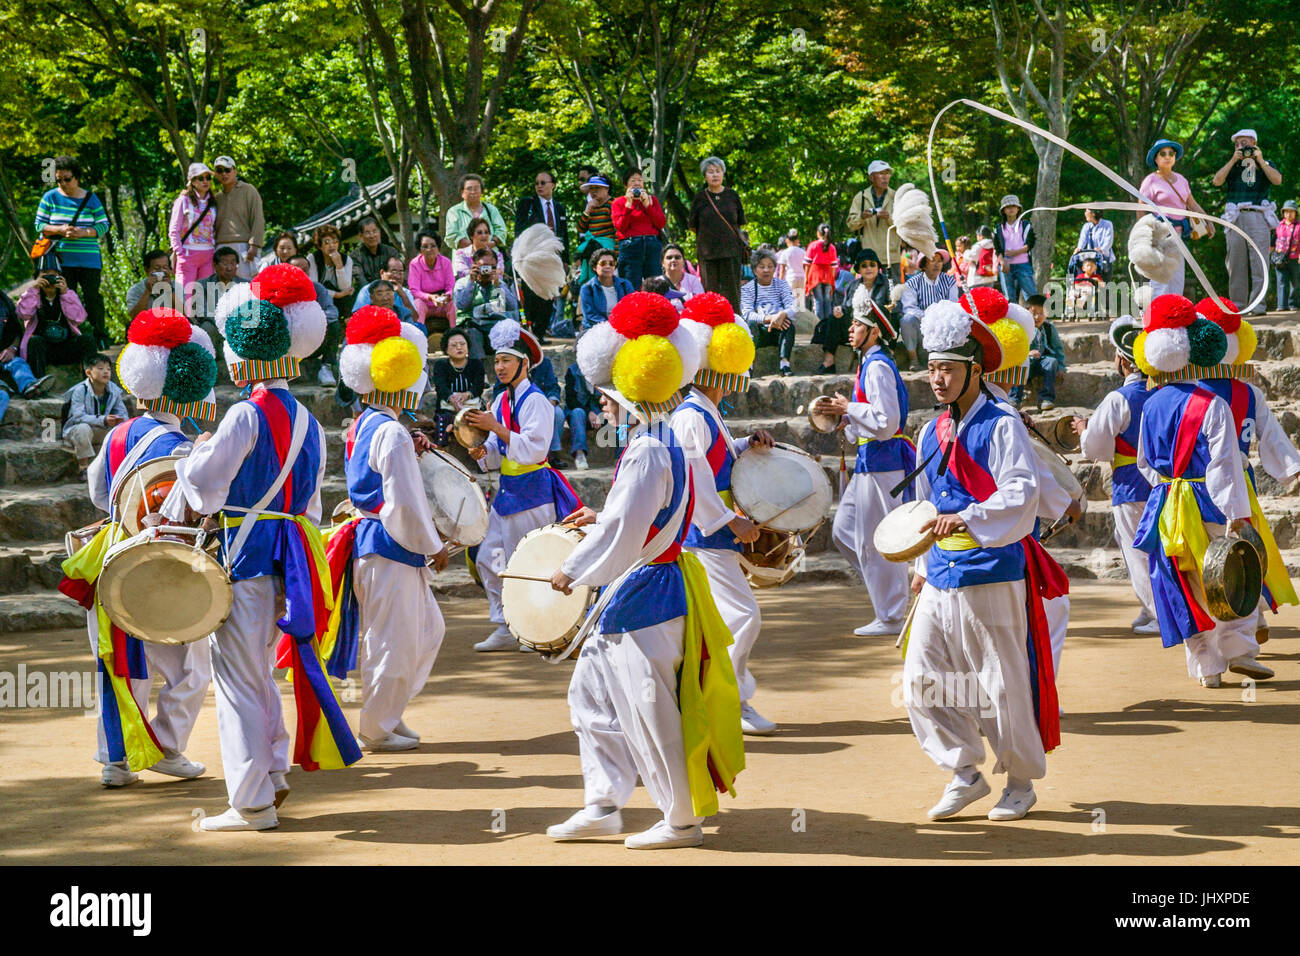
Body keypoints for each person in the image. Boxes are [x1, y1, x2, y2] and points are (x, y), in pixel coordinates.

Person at [546, 292, 743, 850]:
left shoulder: (647, 450)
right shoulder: (663, 441)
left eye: (609, 398)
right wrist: (601, 520)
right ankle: (604, 803)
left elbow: (625, 534)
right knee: (592, 695)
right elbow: (637, 516)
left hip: (643, 589)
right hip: (648, 585)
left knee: (648, 706)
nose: (605, 406)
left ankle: (680, 819)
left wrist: (574, 569)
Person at [166, 263, 357, 831]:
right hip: (291, 555)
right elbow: (312, 501)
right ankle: (271, 776)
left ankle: (248, 803)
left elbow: (205, 486)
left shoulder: (245, 414)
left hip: (245, 554)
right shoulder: (305, 416)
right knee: (257, 672)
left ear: (241, 355)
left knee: (239, 677)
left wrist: (187, 458)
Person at [906, 299, 1057, 822]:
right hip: (941, 571)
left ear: (974, 369)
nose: (937, 378)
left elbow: (1021, 491)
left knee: (999, 680)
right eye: (931, 368)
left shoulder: (1002, 422)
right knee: (922, 678)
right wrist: (919, 567)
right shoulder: (931, 431)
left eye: (947, 368)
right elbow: (924, 505)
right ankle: (965, 772)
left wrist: (970, 516)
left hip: (991, 569)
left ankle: (1019, 781)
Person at [64, 308, 218, 788]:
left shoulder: (116, 435)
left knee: (118, 663)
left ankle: (115, 760)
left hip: (112, 558)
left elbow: (98, 495)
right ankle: (168, 747)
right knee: (190, 665)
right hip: (164, 565)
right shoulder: (184, 448)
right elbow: (197, 507)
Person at [332, 307, 449, 751]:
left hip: (377, 540)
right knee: (393, 640)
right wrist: (432, 546)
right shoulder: (394, 433)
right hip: (390, 541)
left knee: (425, 630)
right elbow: (405, 503)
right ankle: (376, 729)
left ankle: (388, 710)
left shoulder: (368, 423)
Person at [1131, 294, 1257, 689]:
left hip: (1165, 505)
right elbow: (1224, 465)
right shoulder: (1213, 404)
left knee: (1181, 584)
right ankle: (1238, 648)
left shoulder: (1149, 405)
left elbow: (1144, 463)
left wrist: (1167, 488)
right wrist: (1235, 510)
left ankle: (1207, 668)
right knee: (1224, 577)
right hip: (1206, 501)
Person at [673, 292, 778, 734]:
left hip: (712, 531)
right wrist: (728, 521)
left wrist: (741, 445)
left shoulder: (704, 412)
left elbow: (712, 462)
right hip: (706, 535)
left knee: (724, 620)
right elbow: (695, 479)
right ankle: (728, 700)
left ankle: (716, 698)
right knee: (742, 616)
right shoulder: (693, 414)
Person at [464, 319, 582, 652]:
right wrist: (482, 450)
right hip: (508, 494)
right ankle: (505, 624)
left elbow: (535, 449)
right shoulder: (500, 401)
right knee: (487, 558)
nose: (499, 366)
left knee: (531, 564)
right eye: (497, 361)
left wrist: (495, 430)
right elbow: (495, 451)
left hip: (533, 492)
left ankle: (537, 627)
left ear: (524, 364)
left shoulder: (538, 402)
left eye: (506, 361)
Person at [1193, 297, 1300, 645]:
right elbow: (1272, 437)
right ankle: (1254, 617)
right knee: (1246, 548)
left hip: (1195, 483)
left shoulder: (1188, 394)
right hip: (1242, 481)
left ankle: (1238, 628)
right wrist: (1292, 469)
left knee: (1206, 558)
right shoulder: (1249, 393)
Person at [823, 292, 915, 640]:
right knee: (845, 532)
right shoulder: (870, 364)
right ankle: (887, 592)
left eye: (857, 325)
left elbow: (888, 422)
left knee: (876, 540)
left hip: (883, 463)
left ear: (873, 332)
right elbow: (873, 419)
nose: (850, 329)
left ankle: (891, 614)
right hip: (869, 461)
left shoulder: (876, 367)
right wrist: (851, 420)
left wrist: (850, 409)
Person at [1074, 316, 1159, 634]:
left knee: (1137, 550)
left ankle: (1157, 612)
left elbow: (1096, 448)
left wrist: (1084, 430)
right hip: (1162, 482)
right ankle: (1150, 606)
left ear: (1123, 360)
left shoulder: (1118, 399)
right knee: (1158, 548)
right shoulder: (1163, 392)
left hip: (1130, 481)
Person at [34, 156, 110, 347]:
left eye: (67, 179)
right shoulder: (50, 197)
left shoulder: (91, 198)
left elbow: (104, 225)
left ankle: (100, 335)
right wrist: (60, 229)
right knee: (65, 297)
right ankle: (69, 336)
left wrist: (84, 232)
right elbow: (39, 225)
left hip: (89, 259)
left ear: (77, 178)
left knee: (93, 297)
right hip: (62, 259)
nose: (63, 183)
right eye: (59, 180)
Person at [1211, 129, 1283, 314]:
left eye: (1245, 143)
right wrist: (1233, 160)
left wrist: (1260, 160)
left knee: (1260, 262)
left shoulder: (1266, 163)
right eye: (1238, 144)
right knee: (1235, 263)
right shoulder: (1232, 166)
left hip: (1258, 215)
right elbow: (1217, 181)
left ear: (1254, 143)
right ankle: (1238, 306)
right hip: (1235, 215)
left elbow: (1277, 180)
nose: (1241, 147)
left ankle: (1258, 305)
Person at [1139, 139, 1214, 298]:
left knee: (1178, 277)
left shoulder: (1182, 180)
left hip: (1181, 234)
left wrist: (1209, 221)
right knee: (1161, 277)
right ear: (1156, 159)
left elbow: (1192, 205)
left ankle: (1176, 318)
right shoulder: (1150, 181)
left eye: (1171, 153)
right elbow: (1141, 208)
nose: (1167, 157)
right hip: (1161, 233)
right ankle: (1158, 318)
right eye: (1163, 154)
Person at [515, 169, 570, 341]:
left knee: (549, 294)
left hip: (552, 258)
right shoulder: (527, 204)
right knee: (531, 294)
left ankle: (540, 331)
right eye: (537, 183)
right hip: (532, 256)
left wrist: (565, 259)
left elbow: (564, 234)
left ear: (552, 185)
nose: (539, 186)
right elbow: (519, 229)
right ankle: (529, 331)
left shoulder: (559, 208)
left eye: (543, 183)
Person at [688, 157, 746, 310]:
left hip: (731, 251)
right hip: (708, 254)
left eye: (718, 171)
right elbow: (693, 226)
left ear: (723, 174)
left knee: (732, 293)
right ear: (705, 175)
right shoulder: (699, 198)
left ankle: (735, 325)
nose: (715, 175)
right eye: (710, 172)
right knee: (710, 293)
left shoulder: (732, 195)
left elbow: (739, 222)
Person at [821, 248, 890, 374]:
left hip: (877, 326)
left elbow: (884, 307)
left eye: (872, 265)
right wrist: (839, 310)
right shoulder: (853, 285)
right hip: (855, 325)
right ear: (859, 269)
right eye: (864, 266)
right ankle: (829, 361)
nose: (868, 268)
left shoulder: (885, 282)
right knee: (833, 317)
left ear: (877, 267)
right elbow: (846, 307)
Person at [15, 268, 94, 376]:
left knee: (88, 339)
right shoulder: (33, 295)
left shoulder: (68, 294)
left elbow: (79, 318)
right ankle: (38, 384)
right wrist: (33, 289)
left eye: (54, 276)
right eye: (46, 276)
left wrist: (65, 294)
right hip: (44, 350)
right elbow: (23, 314)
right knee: (34, 342)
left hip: (66, 347)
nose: (50, 280)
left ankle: (91, 382)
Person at [62, 353, 127, 477]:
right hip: (76, 430)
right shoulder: (80, 390)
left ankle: (117, 470)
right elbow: (78, 417)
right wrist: (104, 420)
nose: (106, 372)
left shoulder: (114, 390)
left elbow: (123, 413)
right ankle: (84, 468)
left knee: (122, 431)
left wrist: (120, 422)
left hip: (100, 429)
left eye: (108, 369)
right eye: (100, 368)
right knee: (83, 429)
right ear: (88, 373)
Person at [169, 162, 220, 310]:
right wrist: (180, 252)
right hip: (188, 255)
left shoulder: (213, 202)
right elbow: (174, 230)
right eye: (200, 178)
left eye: (208, 178)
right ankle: (184, 330)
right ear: (192, 181)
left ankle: (205, 331)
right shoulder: (182, 201)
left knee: (206, 298)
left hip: (208, 256)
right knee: (184, 298)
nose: (205, 181)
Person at [454, 247, 521, 359]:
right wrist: (471, 281)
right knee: (473, 333)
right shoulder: (463, 283)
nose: (488, 270)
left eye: (492, 267)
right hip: (470, 327)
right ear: (474, 265)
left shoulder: (497, 283)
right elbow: (462, 305)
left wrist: (497, 286)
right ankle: (479, 370)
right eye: (484, 267)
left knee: (508, 329)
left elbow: (511, 306)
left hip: (492, 328)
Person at [899, 248, 959, 370]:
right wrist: (929, 316)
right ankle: (913, 359)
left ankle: (948, 358)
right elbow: (909, 308)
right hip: (921, 326)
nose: (937, 264)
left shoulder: (949, 281)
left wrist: (939, 317)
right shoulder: (912, 283)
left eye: (939, 261)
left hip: (943, 326)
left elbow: (954, 305)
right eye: (932, 260)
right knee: (906, 320)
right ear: (924, 264)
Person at [739, 248, 795, 376]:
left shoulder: (782, 285)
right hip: (760, 331)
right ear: (754, 270)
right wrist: (768, 318)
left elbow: (792, 306)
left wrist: (782, 315)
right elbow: (747, 313)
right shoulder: (748, 289)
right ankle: (749, 365)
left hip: (778, 329)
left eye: (770, 266)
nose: (766, 270)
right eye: (761, 266)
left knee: (788, 324)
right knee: (749, 324)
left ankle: (785, 363)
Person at [190, 246, 248, 368]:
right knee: (206, 326)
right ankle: (205, 365)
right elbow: (201, 311)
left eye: (233, 263)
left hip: (237, 328)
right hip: (214, 326)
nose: (229, 267)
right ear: (215, 266)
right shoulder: (202, 284)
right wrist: (223, 322)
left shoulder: (246, 284)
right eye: (225, 263)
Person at [611, 168, 667, 290]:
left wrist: (648, 205)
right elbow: (620, 226)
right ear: (625, 184)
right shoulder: (618, 202)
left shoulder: (651, 199)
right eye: (633, 180)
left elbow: (661, 223)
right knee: (630, 283)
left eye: (640, 180)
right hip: (630, 245)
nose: (637, 183)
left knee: (655, 283)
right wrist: (629, 206)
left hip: (651, 244)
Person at [211, 155, 266, 279]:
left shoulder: (248, 190)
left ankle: (256, 300)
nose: (224, 174)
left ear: (234, 171)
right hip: (221, 248)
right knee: (223, 288)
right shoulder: (216, 198)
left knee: (250, 286)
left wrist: (254, 245)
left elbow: (257, 218)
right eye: (219, 171)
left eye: (227, 170)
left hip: (245, 247)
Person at [431, 328, 486, 446]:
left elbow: (479, 386)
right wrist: (452, 399)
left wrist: (466, 395)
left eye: (462, 344)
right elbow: (440, 386)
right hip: (447, 407)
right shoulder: (440, 365)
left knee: (480, 421)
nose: (459, 348)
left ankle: (481, 449)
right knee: (444, 421)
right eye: (454, 345)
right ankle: (440, 448)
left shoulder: (476, 364)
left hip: (472, 405)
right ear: (446, 349)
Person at [846, 160, 900, 281]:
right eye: (881, 173)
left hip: (891, 257)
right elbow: (850, 225)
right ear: (871, 177)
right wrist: (862, 217)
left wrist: (889, 218)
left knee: (895, 295)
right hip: (868, 259)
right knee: (869, 295)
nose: (885, 177)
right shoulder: (861, 197)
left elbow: (905, 226)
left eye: (887, 173)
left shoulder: (896, 197)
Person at [1009, 294, 1065, 410]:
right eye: (1033, 313)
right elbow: (1014, 348)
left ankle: (1046, 398)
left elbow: (1058, 349)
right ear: (1027, 312)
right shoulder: (1020, 327)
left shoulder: (1049, 328)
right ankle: (1014, 399)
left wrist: (1061, 367)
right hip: (1025, 362)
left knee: (1051, 361)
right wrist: (1027, 354)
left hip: (1041, 363)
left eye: (1041, 313)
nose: (1037, 317)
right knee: (1019, 362)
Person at [407, 229, 456, 330]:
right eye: (425, 246)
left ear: (438, 247)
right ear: (420, 249)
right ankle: (418, 334)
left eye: (433, 246)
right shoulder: (415, 264)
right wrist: (430, 297)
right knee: (418, 304)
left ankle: (455, 333)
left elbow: (450, 286)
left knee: (453, 305)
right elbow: (414, 290)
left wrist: (447, 296)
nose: (429, 249)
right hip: (425, 304)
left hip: (443, 303)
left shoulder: (446, 262)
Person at [444, 174, 508, 251]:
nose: (473, 192)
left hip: (490, 257)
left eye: (476, 188)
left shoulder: (491, 210)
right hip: (464, 259)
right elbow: (451, 236)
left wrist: (491, 243)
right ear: (462, 192)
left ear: (481, 191)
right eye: (469, 188)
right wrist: (475, 247)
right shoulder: (454, 212)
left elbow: (501, 231)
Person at [992, 195, 1037, 304]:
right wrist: (1002, 262)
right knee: (1009, 297)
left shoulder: (1026, 225)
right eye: (1008, 207)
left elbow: (1030, 244)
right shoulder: (998, 228)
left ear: (1018, 209)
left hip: (1023, 264)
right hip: (1006, 265)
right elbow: (997, 248)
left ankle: (1037, 319)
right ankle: (1013, 320)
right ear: (1003, 210)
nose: (1011, 209)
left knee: (1031, 295)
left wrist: (1015, 252)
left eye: (1014, 206)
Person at [306, 224, 355, 324]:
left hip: (341, 300)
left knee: (349, 297)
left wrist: (339, 266)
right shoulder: (312, 259)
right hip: (320, 298)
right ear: (320, 245)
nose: (332, 245)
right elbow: (314, 287)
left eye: (335, 242)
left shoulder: (346, 259)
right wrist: (337, 295)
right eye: (327, 242)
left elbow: (345, 287)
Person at [575, 175, 616, 285]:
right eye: (591, 188)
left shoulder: (612, 205)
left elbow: (618, 229)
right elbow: (581, 228)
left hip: (607, 249)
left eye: (597, 188)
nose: (593, 192)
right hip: (592, 249)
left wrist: (616, 254)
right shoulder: (591, 206)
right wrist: (587, 211)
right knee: (590, 282)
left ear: (606, 189)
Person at [579, 248, 634, 330]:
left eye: (611, 263)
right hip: (595, 329)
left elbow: (632, 309)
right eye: (603, 263)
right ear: (594, 267)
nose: (608, 266)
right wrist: (610, 326)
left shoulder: (625, 285)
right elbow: (591, 316)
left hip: (622, 328)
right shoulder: (587, 288)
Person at [562, 359, 601, 470]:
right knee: (578, 413)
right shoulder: (573, 371)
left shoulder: (602, 371)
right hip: (579, 414)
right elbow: (570, 400)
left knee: (622, 414)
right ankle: (580, 454)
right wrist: (589, 412)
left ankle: (620, 455)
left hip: (599, 412)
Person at [126, 249, 185, 317]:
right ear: (146, 270)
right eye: (157, 268)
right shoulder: (135, 290)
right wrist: (147, 291)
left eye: (165, 268)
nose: (161, 271)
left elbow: (183, 315)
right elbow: (135, 317)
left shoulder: (177, 287)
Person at [803, 223, 839, 329]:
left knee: (818, 300)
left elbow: (807, 264)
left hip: (815, 275)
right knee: (827, 299)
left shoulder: (813, 245)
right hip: (828, 275)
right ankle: (828, 325)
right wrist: (831, 279)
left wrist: (806, 278)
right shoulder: (832, 247)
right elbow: (833, 266)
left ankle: (819, 325)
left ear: (818, 233)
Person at [350, 217, 400, 286]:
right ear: (360, 236)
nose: (372, 235)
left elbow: (395, 275)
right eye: (367, 233)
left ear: (379, 232)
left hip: (389, 291)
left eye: (374, 231)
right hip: (366, 293)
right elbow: (360, 280)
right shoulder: (355, 256)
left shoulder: (391, 251)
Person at [1071, 208, 1115, 280]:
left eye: (1086, 211)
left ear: (1093, 213)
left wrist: (1101, 249)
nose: (1085, 213)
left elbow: (1108, 241)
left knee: (1103, 284)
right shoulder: (1086, 226)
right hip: (1090, 260)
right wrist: (1079, 248)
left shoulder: (1107, 224)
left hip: (1103, 259)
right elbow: (1082, 240)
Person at [1272, 200, 1299, 311]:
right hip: (1280, 258)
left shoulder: (1299, 226)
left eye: (1291, 211)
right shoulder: (1278, 225)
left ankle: (1294, 304)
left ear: (1295, 213)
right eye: (1286, 211)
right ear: (1283, 213)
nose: (1289, 214)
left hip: (1295, 258)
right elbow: (1272, 241)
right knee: (1281, 281)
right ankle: (1282, 305)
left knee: (1296, 282)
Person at [1066, 254, 1105, 318]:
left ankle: (1081, 301)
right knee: (1072, 292)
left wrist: (1098, 280)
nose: (1090, 268)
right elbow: (1075, 285)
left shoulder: (1096, 277)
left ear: (1095, 268)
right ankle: (1071, 301)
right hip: (1079, 290)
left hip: (1089, 291)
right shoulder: (1080, 276)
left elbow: (1103, 285)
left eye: (1092, 266)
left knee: (1087, 290)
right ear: (1083, 268)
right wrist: (1080, 286)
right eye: (1088, 266)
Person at [777, 228, 807, 312]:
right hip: (802, 278)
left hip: (791, 278)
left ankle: (792, 320)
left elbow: (782, 270)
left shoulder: (785, 252)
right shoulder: (803, 252)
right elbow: (805, 267)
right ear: (798, 240)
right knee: (800, 303)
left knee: (790, 302)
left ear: (787, 240)